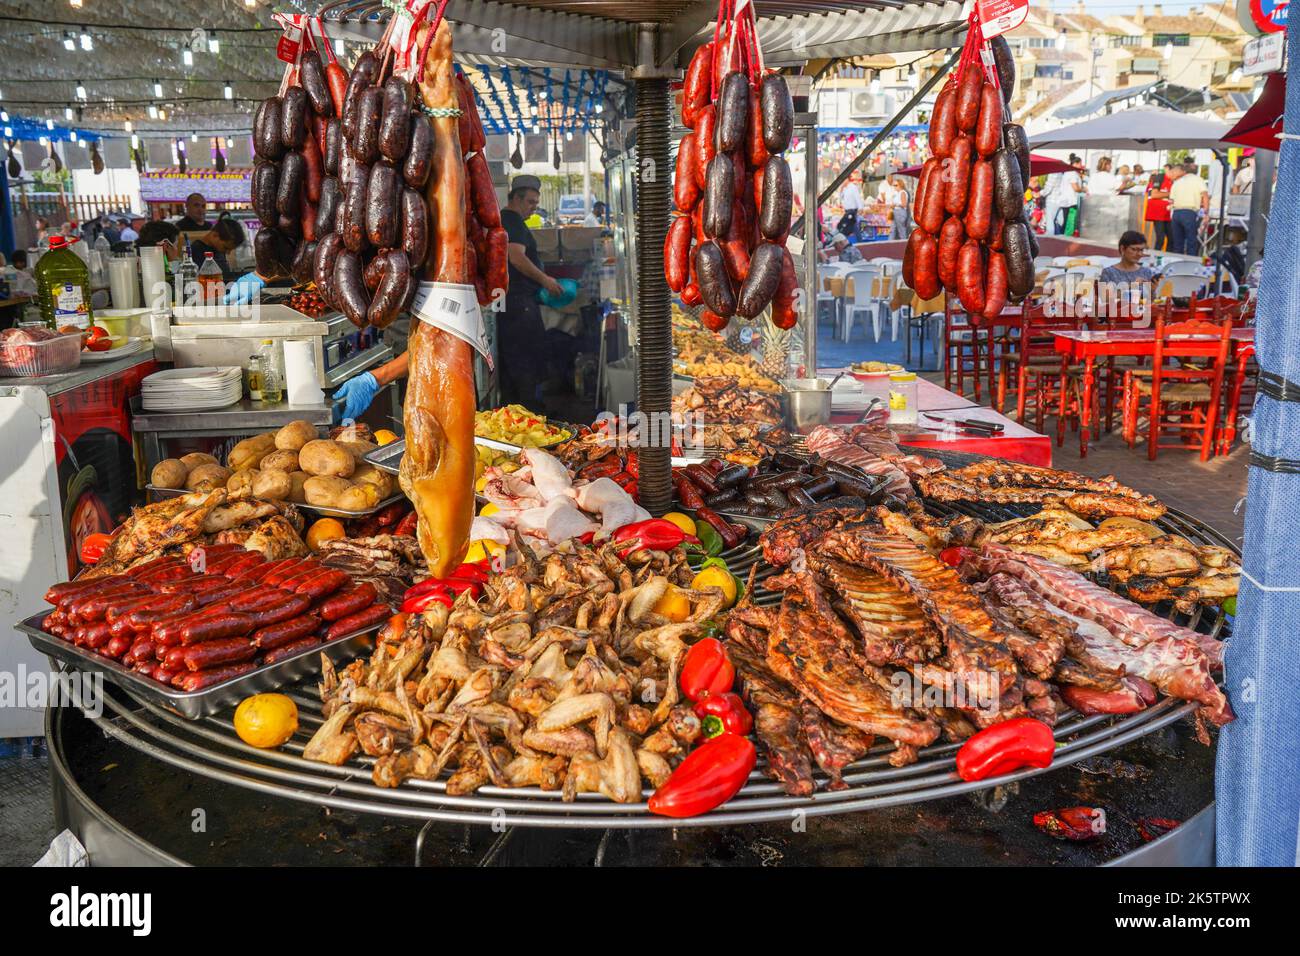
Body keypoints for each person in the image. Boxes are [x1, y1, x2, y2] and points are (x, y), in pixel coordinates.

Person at [499, 174, 562, 407]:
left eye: (536, 202)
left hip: (517, 303)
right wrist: (545, 280)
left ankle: (525, 410)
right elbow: (516, 257)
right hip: (518, 305)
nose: (534, 207)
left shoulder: (511, 221)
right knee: (524, 362)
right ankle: (528, 411)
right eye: (530, 202)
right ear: (516, 198)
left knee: (523, 361)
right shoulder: (512, 220)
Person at [188, 213, 246, 279]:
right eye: (226, 248)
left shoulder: (218, 249)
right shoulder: (196, 251)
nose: (228, 253)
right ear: (215, 235)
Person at [1169, 161, 1209, 256]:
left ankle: (1176, 265)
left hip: (1176, 213)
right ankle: (1191, 266)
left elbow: (1171, 200)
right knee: (1192, 242)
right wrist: (1206, 213)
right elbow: (1205, 196)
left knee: (1178, 243)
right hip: (1189, 212)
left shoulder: (1177, 182)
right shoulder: (1199, 180)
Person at [1144, 164, 1175, 252]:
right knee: (1160, 238)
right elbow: (1154, 194)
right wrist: (1172, 194)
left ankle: (1168, 259)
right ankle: (1154, 259)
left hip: (1168, 212)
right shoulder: (1160, 177)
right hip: (1158, 212)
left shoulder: (1174, 180)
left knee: (1171, 238)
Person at [1056, 158, 1084, 236]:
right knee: (1069, 222)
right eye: (1080, 163)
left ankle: (1062, 236)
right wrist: (1084, 189)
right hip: (1070, 201)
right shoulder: (1073, 173)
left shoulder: (1068, 172)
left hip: (1066, 201)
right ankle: (1066, 237)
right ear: (1075, 164)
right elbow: (1075, 188)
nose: (1081, 165)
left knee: (1065, 221)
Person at [882, 175, 910, 240]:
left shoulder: (902, 192)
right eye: (894, 185)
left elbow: (904, 204)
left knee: (901, 230)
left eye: (896, 185)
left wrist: (895, 205)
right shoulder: (897, 193)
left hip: (900, 212)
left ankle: (904, 243)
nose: (894, 187)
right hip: (896, 212)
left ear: (900, 185)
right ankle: (889, 243)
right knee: (893, 229)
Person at [837, 173, 863, 239]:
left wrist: (860, 208)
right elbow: (840, 198)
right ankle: (858, 240)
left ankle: (844, 240)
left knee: (848, 227)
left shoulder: (853, 187)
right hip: (847, 211)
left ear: (847, 179)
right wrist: (841, 189)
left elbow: (857, 198)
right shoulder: (844, 189)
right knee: (852, 227)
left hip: (852, 211)